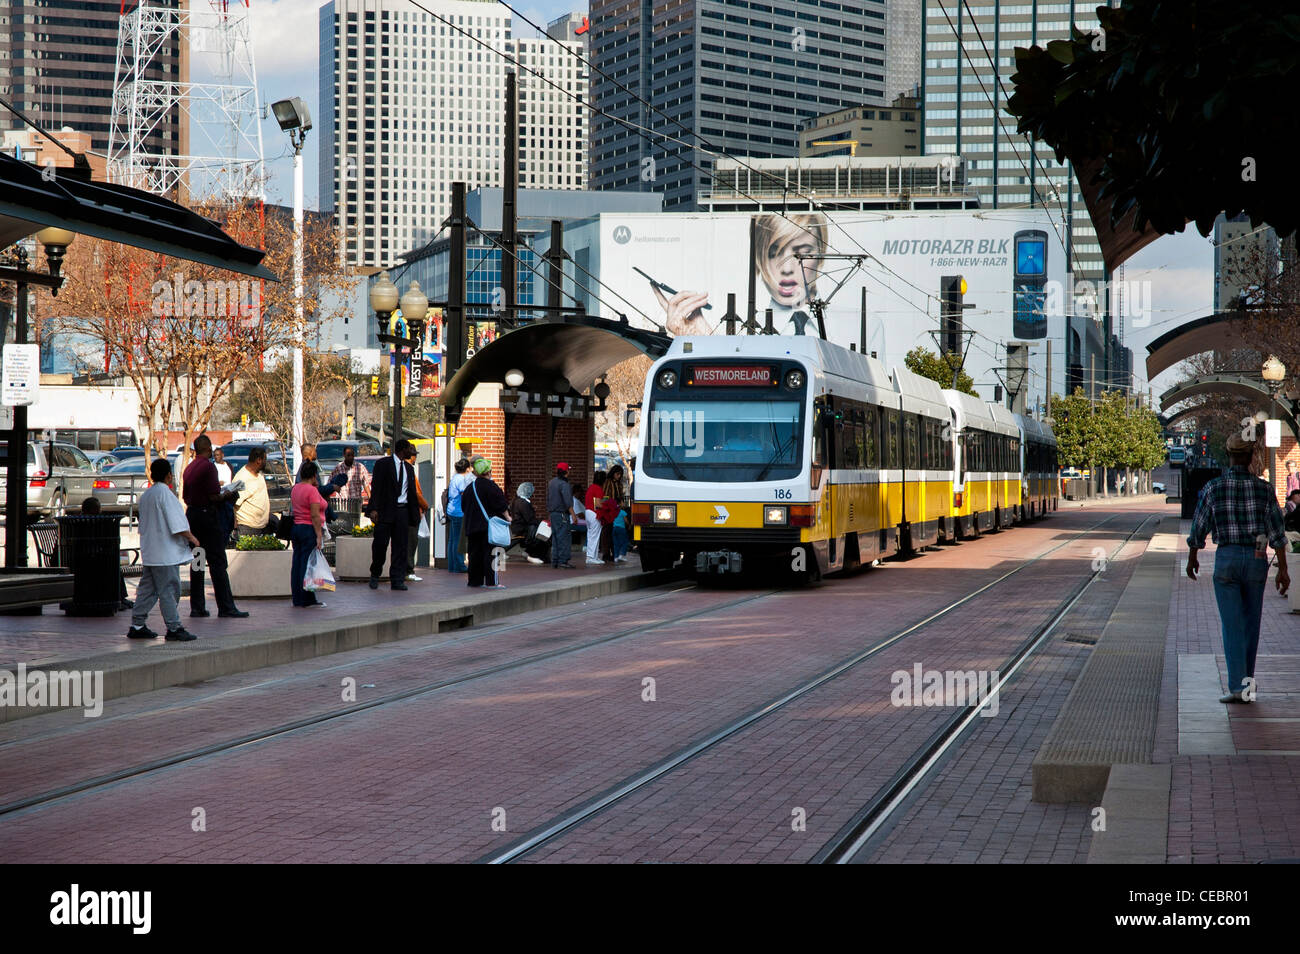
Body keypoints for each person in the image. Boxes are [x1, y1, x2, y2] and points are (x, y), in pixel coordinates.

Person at [1187, 433, 1290, 704]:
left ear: (1229, 455)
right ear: (1251, 457)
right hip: (1256, 557)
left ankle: (1236, 687)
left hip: (1227, 558)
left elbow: (1199, 526)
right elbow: (1277, 532)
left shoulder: (1213, 487)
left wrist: (1193, 555)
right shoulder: (1264, 489)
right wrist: (1283, 569)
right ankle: (1247, 686)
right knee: (1250, 625)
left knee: (1231, 625)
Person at [127, 458, 198, 641]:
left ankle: (137, 624)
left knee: (147, 590)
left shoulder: (147, 495)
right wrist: (192, 538)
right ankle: (174, 628)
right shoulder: (166, 495)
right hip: (166, 554)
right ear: (169, 476)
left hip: (150, 551)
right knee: (169, 590)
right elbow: (177, 524)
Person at [183, 435, 248, 619]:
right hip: (207, 517)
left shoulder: (189, 468)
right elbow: (213, 496)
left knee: (197, 561)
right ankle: (226, 606)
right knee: (218, 562)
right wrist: (228, 494)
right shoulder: (208, 466)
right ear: (209, 448)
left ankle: (197, 607)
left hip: (193, 516)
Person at [364, 438, 419, 590]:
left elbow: (412, 494)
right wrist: (373, 509)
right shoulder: (383, 464)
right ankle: (375, 574)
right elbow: (376, 488)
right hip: (385, 512)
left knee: (400, 548)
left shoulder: (409, 469)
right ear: (402, 450)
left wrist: (415, 515)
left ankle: (397, 579)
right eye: (409, 449)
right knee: (380, 545)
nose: (412, 452)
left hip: (402, 512)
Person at [462, 456, 509, 588]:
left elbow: (463, 506)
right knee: (492, 554)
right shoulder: (491, 486)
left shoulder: (470, 488)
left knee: (474, 555)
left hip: (472, 526)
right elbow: (501, 505)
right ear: (488, 471)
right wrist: (508, 517)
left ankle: (474, 581)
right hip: (489, 527)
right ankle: (492, 582)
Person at [289, 460, 328, 609]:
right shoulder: (311, 491)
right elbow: (315, 515)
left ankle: (298, 598)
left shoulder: (296, 488)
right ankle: (307, 598)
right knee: (308, 565)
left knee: (298, 564)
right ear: (314, 475)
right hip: (308, 529)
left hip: (296, 527)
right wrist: (319, 535)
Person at [81, 496, 132, 609]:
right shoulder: (92, 524)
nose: (100, 512)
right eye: (98, 509)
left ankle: (120, 598)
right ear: (94, 510)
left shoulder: (77, 523)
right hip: (88, 561)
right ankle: (120, 597)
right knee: (112, 564)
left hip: (80, 560)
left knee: (111, 562)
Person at [401, 445, 429, 582]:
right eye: (414, 455)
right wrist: (425, 506)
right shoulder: (409, 470)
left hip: (405, 512)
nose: (415, 458)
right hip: (412, 512)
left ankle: (406, 570)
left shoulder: (401, 469)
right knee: (411, 542)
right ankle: (409, 570)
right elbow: (416, 493)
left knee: (406, 542)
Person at [232, 446, 272, 538]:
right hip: (247, 529)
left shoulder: (259, 474)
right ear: (259, 460)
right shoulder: (241, 479)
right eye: (265, 459)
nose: (266, 462)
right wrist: (234, 529)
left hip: (262, 528)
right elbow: (233, 504)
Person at [442, 458, 472, 574]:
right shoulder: (461, 479)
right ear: (467, 468)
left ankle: (452, 565)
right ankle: (459, 565)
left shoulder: (454, 477)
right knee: (458, 541)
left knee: (452, 540)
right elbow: (465, 494)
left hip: (451, 511)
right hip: (459, 512)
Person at [508, 482, 547, 565]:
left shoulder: (517, 501)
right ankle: (532, 553)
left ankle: (531, 553)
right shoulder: (523, 503)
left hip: (517, 527)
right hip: (523, 529)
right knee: (543, 535)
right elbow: (530, 519)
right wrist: (541, 521)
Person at [546, 462, 575, 569]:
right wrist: (574, 515)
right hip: (562, 514)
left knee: (555, 537)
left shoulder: (551, 482)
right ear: (566, 471)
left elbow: (548, 499)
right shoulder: (565, 484)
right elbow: (568, 502)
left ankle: (555, 560)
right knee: (564, 537)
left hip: (553, 514)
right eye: (569, 469)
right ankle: (563, 561)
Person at [598, 465, 626, 562]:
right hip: (609, 510)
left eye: (620, 475)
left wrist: (621, 501)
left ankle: (615, 553)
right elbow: (604, 497)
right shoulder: (607, 482)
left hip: (617, 511)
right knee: (607, 532)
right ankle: (606, 553)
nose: (619, 476)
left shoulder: (619, 484)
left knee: (615, 532)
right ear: (613, 473)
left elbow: (621, 495)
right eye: (617, 474)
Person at [584, 470, 607, 565]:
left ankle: (594, 556)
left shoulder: (591, 487)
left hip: (588, 512)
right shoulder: (598, 489)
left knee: (591, 535)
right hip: (594, 513)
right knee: (595, 536)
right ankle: (591, 557)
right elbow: (598, 503)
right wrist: (607, 505)